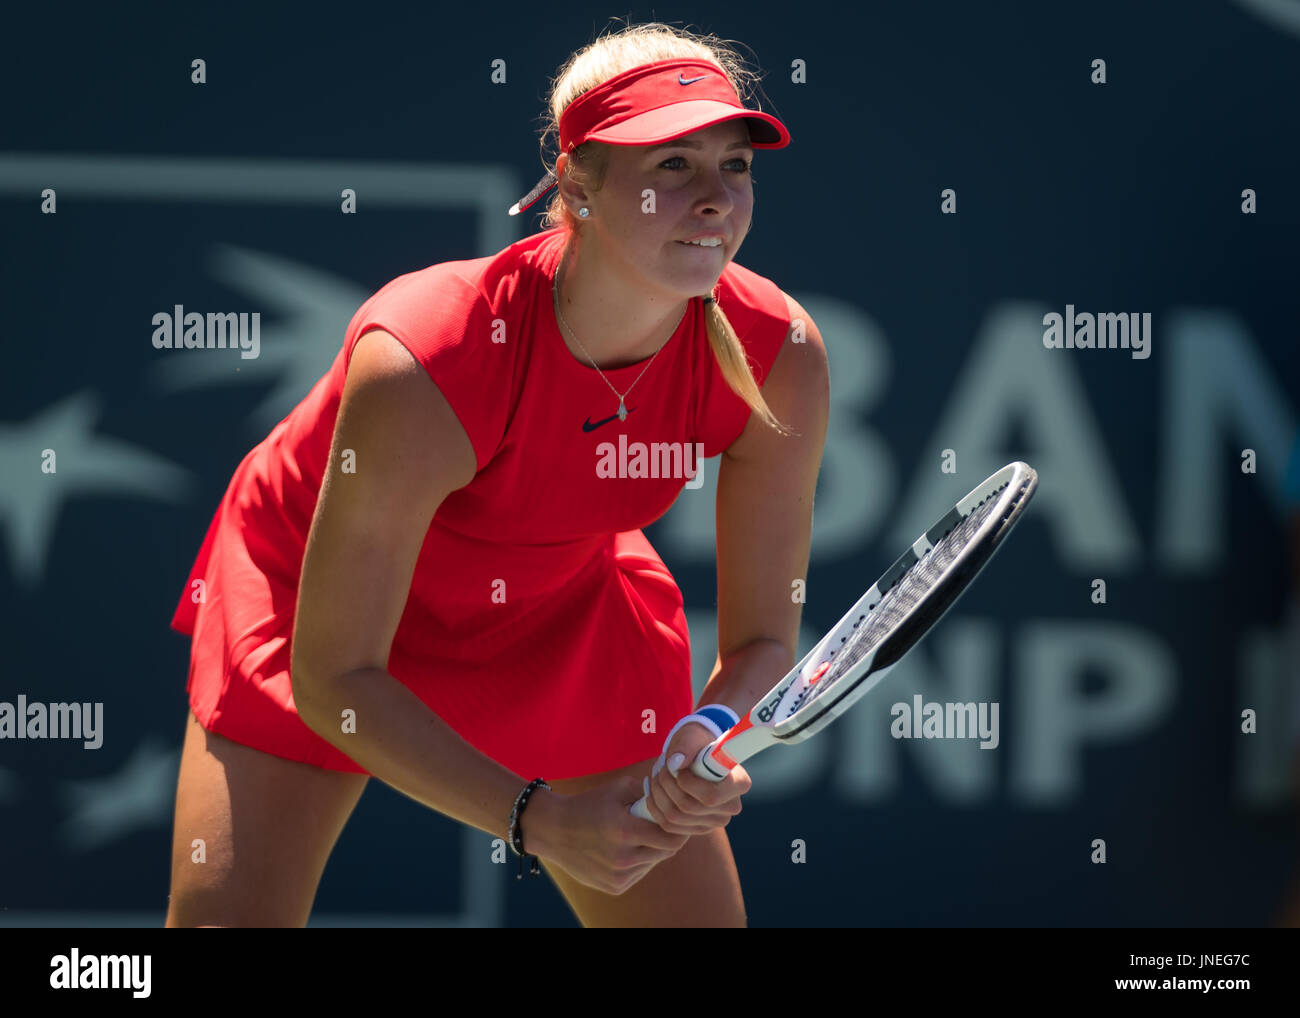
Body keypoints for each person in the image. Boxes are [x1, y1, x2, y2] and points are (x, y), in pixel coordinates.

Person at [164, 21, 829, 928]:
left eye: (735, 165)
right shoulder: (428, 354)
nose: (715, 198)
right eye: (671, 166)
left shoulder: (778, 352)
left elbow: (760, 646)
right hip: (318, 612)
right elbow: (334, 677)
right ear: (578, 186)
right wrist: (539, 819)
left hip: (557, 613)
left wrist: (698, 748)